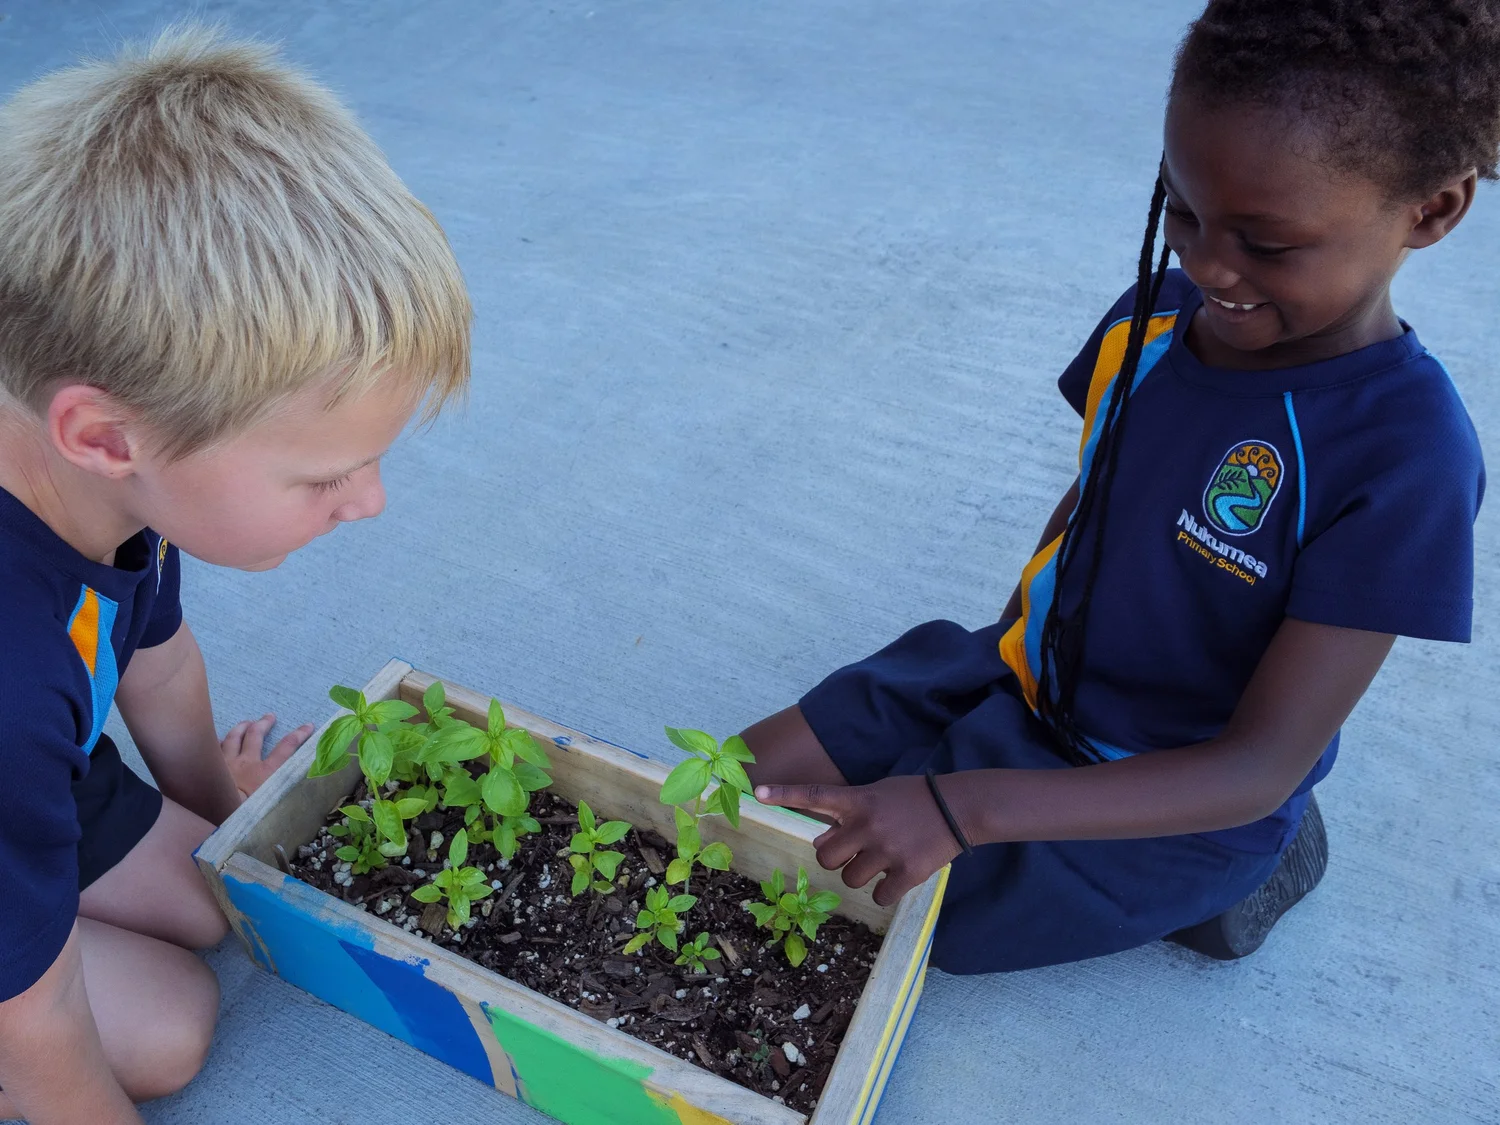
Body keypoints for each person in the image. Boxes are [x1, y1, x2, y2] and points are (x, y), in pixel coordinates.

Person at [745, 0, 1492, 975]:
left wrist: (958, 802)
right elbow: (1100, 490)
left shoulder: (1406, 456)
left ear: (1430, 211)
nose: (1207, 263)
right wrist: (1006, 664)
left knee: (835, 908)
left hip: (1177, 795)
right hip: (1023, 680)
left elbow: (1256, 767)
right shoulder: (1154, 317)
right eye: (1182, 205)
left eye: (1268, 244)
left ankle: (1251, 877)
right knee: (724, 794)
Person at [0, 26, 470, 1122]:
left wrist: (231, 823)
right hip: (17, 759)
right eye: (323, 478)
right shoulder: (10, 681)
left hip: (40, 773)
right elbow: (31, 1014)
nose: (369, 502)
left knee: (214, 906)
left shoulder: (106, 480)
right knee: (163, 1031)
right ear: (106, 435)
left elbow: (152, 665)